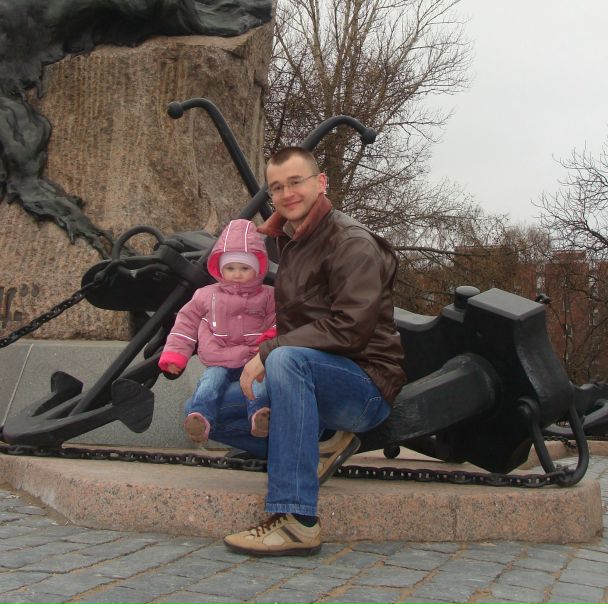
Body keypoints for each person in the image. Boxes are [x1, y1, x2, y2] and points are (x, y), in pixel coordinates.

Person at [221, 147, 407, 556]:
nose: (286, 194)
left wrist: (268, 352)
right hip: (310, 379)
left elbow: (350, 329)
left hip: (364, 385)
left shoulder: (352, 242)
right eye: (277, 187)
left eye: (296, 182)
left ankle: (296, 520)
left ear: (321, 183)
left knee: (285, 359)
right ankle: (320, 444)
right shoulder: (291, 240)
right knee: (214, 409)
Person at [158, 218, 276, 444]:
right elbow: (185, 323)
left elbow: (278, 321)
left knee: (257, 384)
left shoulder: (268, 295)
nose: (237, 274)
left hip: (254, 358)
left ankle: (260, 415)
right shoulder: (206, 295)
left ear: (258, 268)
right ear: (220, 268)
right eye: (230, 268)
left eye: (244, 268)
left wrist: (268, 341)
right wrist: (175, 355)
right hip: (219, 358)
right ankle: (200, 416)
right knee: (210, 382)